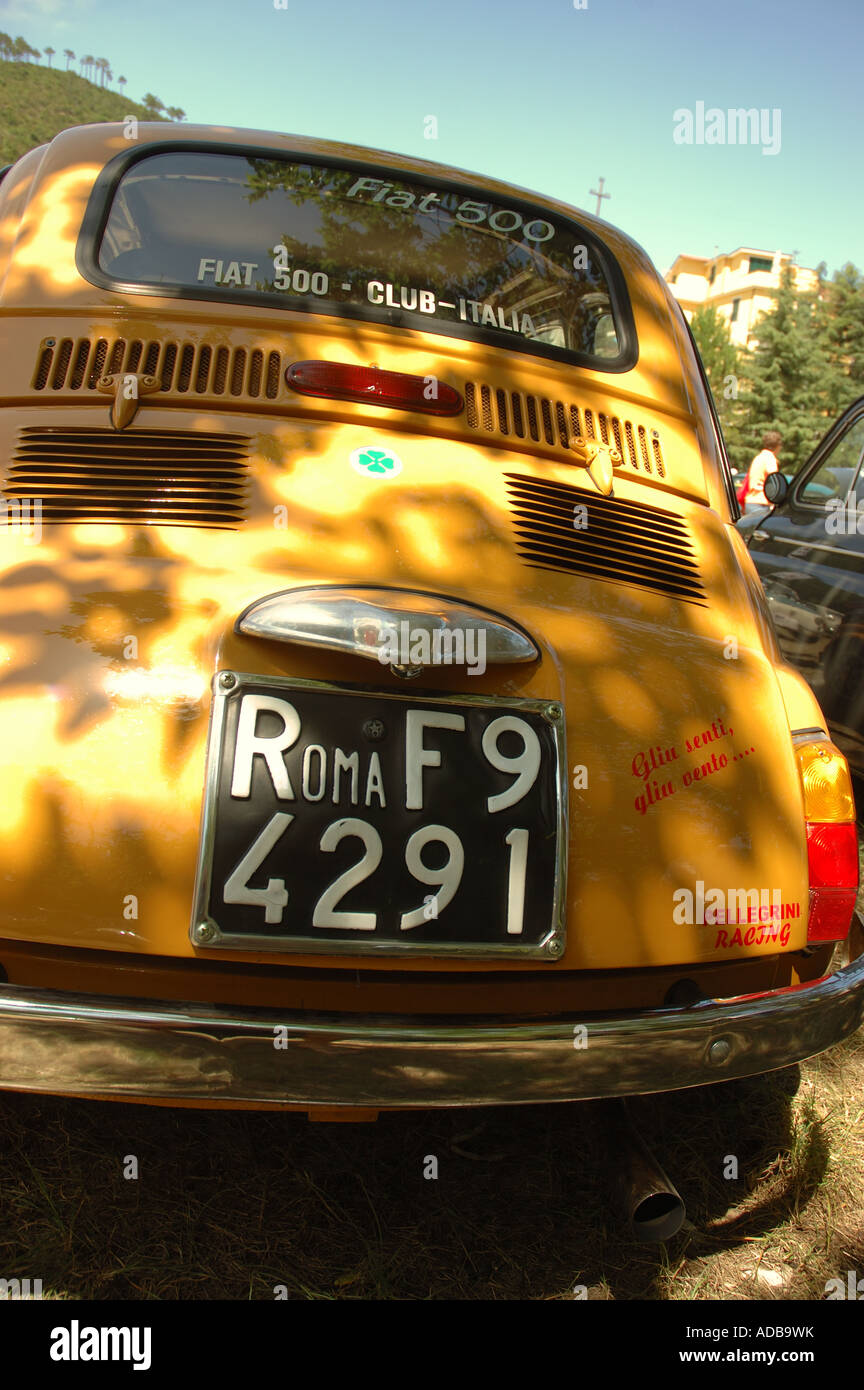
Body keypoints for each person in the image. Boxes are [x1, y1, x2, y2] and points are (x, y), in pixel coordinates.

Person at [743, 431, 781, 512]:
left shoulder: (759, 457)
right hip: (761, 503)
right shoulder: (770, 458)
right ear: (777, 446)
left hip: (751, 500)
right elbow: (774, 479)